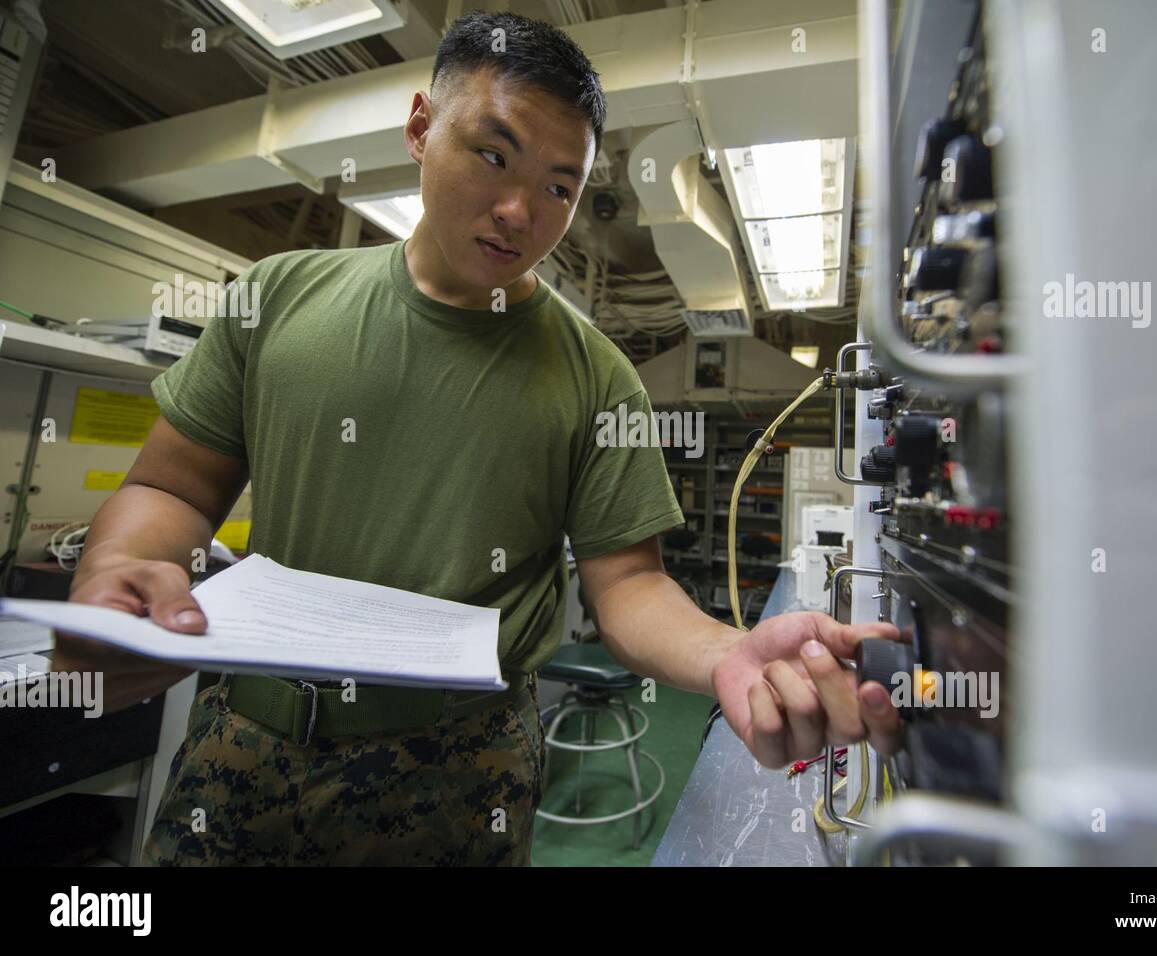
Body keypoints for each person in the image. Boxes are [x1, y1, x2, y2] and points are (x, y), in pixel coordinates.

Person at [54, 10, 904, 866]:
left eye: (560, 188)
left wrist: (726, 650)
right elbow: (171, 489)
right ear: (422, 128)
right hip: (240, 740)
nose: (518, 212)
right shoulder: (279, 294)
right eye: (493, 156)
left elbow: (628, 585)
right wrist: (119, 569)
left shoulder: (599, 376)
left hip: (457, 775)